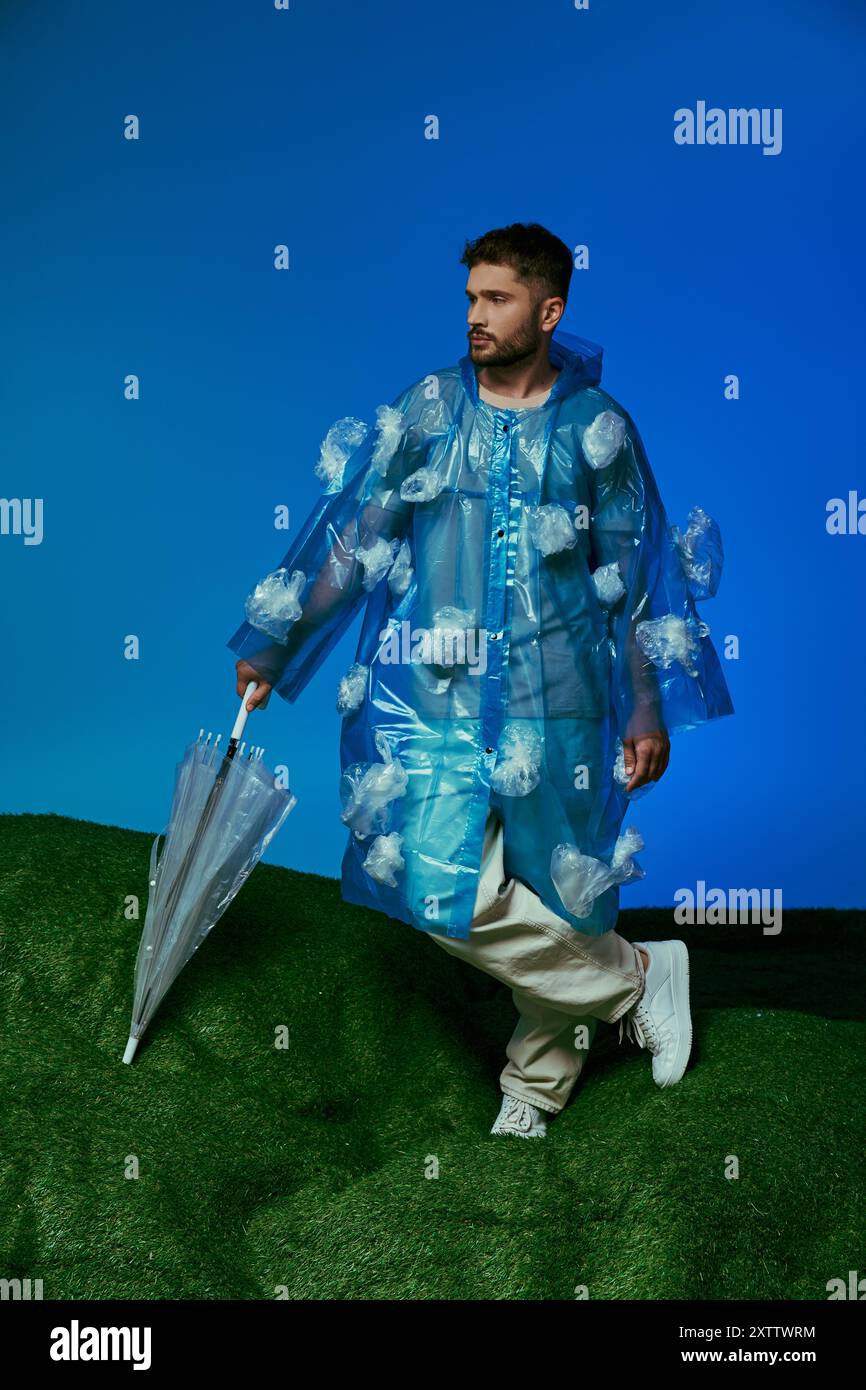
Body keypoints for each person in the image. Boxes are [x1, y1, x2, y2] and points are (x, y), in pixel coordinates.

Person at [227, 222, 734, 1139]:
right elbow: (354, 538)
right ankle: (639, 978)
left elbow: (637, 581)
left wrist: (646, 706)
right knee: (432, 887)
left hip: (565, 687)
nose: (476, 316)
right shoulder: (428, 410)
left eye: (496, 299)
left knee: (559, 883)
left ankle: (532, 1091)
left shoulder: (598, 430)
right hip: (438, 691)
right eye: (470, 297)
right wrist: (274, 642)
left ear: (550, 310)